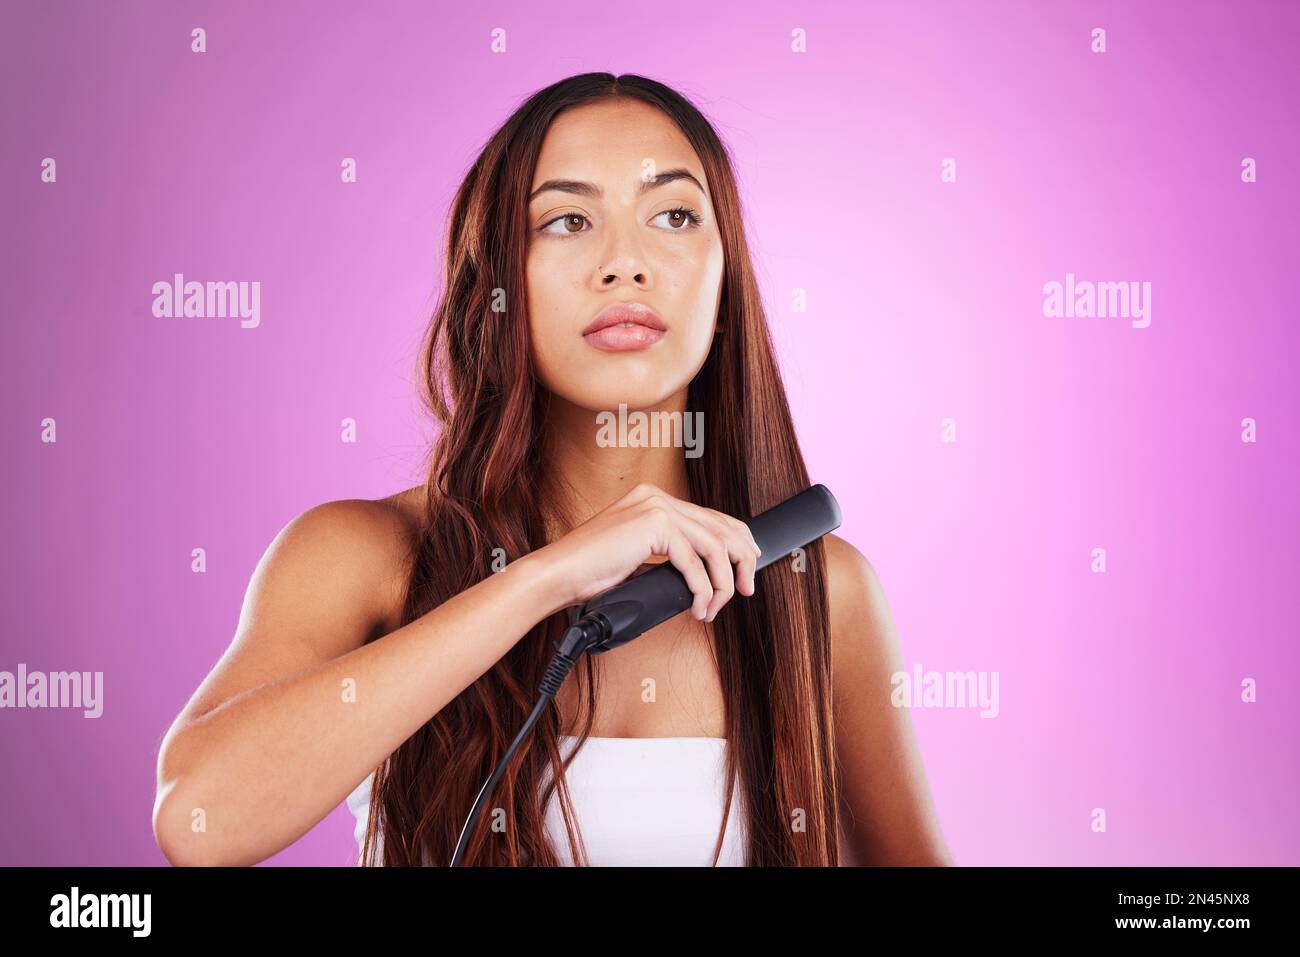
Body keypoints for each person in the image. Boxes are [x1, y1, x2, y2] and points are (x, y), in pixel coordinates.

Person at [152, 72, 953, 867]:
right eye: (568, 220)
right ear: (498, 279)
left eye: (673, 215)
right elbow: (198, 822)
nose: (625, 263)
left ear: (725, 272)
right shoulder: (362, 555)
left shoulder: (822, 591)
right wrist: (547, 577)